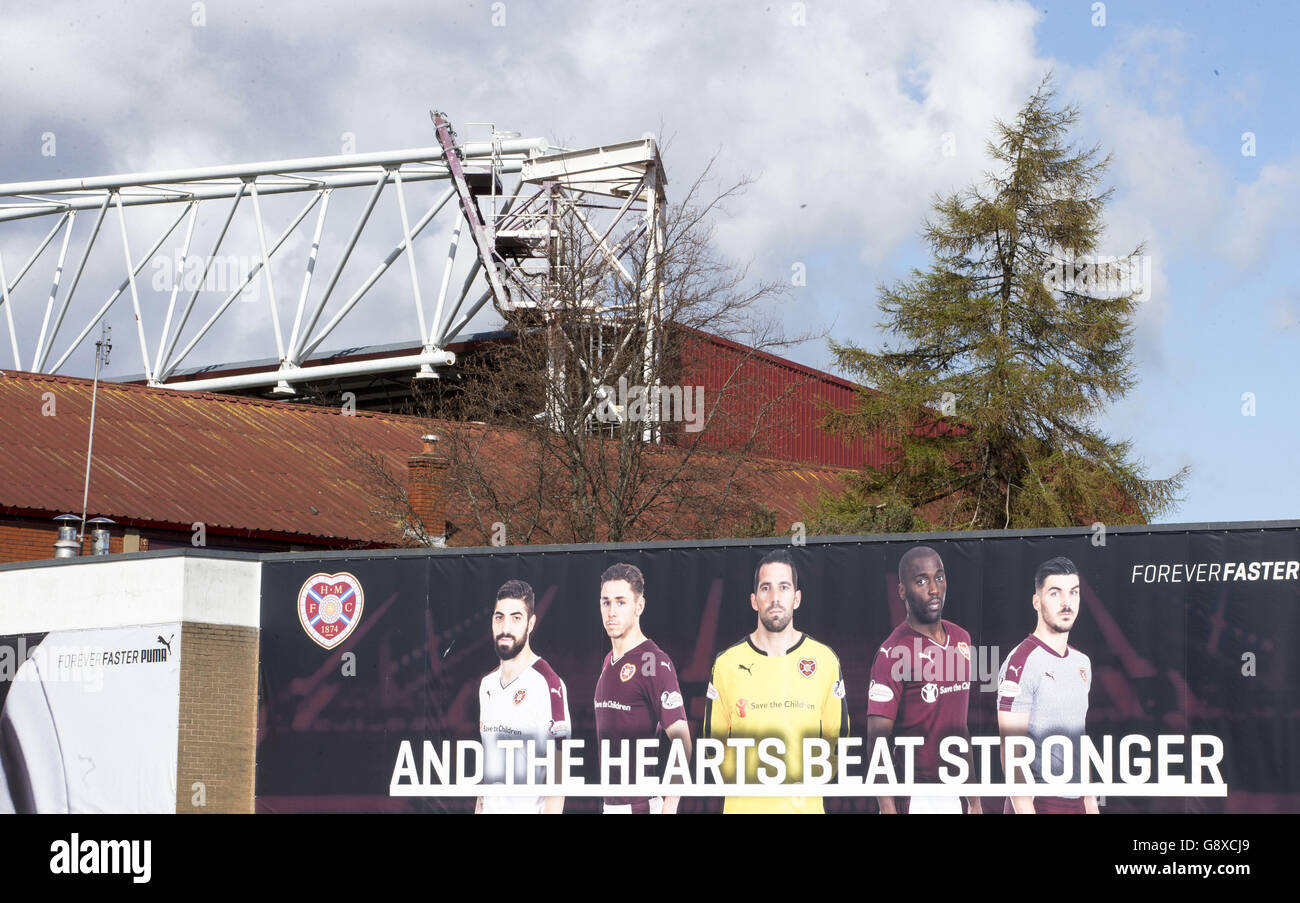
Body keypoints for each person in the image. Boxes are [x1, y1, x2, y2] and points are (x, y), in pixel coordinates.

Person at [706, 548, 847, 813]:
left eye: (784, 587)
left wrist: (799, 782)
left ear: (797, 598)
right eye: (765, 588)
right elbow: (713, 747)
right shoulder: (725, 664)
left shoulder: (825, 660)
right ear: (753, 599)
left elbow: (837, 741)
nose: (775, 597)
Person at [867, 545, 980, 814]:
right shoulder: (892, 652)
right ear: (902, 591)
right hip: (915, 797)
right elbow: (877, 739)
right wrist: (887, 807)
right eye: (921, 580)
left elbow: (960, 728)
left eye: (939, 577)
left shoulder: (962, 639)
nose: (933, 589)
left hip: (954, 793)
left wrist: (974, 799)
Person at [996, 556, 1097, 814]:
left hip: (1075, 803)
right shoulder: (1021, 661)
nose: (1066, 603)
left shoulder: (1082, 662)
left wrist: (1090, 805)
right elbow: (1012, 753)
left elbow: (1079, 743)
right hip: (1038, 804)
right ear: (1036, 601)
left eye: (1073, 593)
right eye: (1055, 593)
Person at [593, 563, 692, 814]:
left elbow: (682, 740)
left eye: (620, 602)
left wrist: (670, 803)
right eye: (606, 602)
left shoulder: (653, 662)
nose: (611, 612)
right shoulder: (609, 660)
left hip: (640, 806)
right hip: (610, 804)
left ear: (639, 606)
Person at [476, 579, 571, 814]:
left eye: (516, 618)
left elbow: (559, 774)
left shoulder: (548, 683)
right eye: (500, 617)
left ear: (531, 623)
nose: (505, 627)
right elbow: (488, 771)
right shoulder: (486, 685)